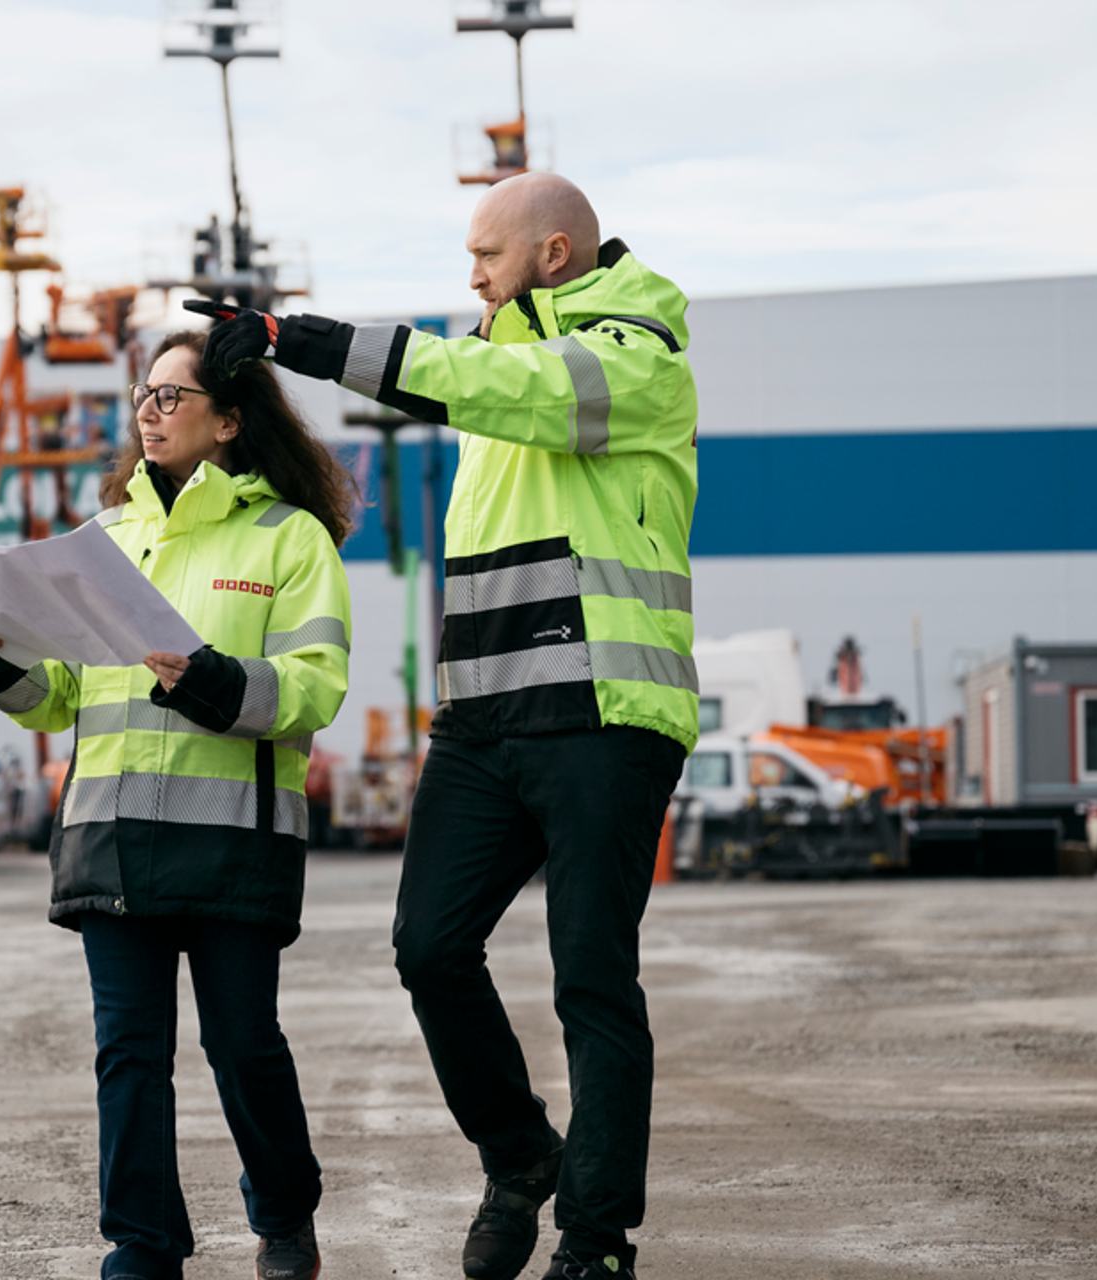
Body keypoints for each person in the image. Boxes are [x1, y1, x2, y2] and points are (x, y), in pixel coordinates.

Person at [193, 172, 697, 1280]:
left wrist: (302, 338)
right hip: (483, 717)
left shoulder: (637, 353)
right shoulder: (499, 367)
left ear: (553, 253)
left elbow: (500, 386)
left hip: (605, 711)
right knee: (427, 946)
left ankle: (596, 1241)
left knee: (591, 980)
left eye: (487, 256)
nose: (472, 276)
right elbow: (474, 385)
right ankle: (519, 1154)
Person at [0, 331, 356, 1280]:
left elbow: (315, 686)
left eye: (173, 396)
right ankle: (141, 1243)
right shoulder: (105, 542)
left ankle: (285, 1219)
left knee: (243, 1047)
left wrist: (212, 681)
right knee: (127, 1053)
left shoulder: (288, 538)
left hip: (233, 843)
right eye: (144, 394)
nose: (150, 411)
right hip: (112, 837)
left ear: (230, 420)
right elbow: (58, 698)